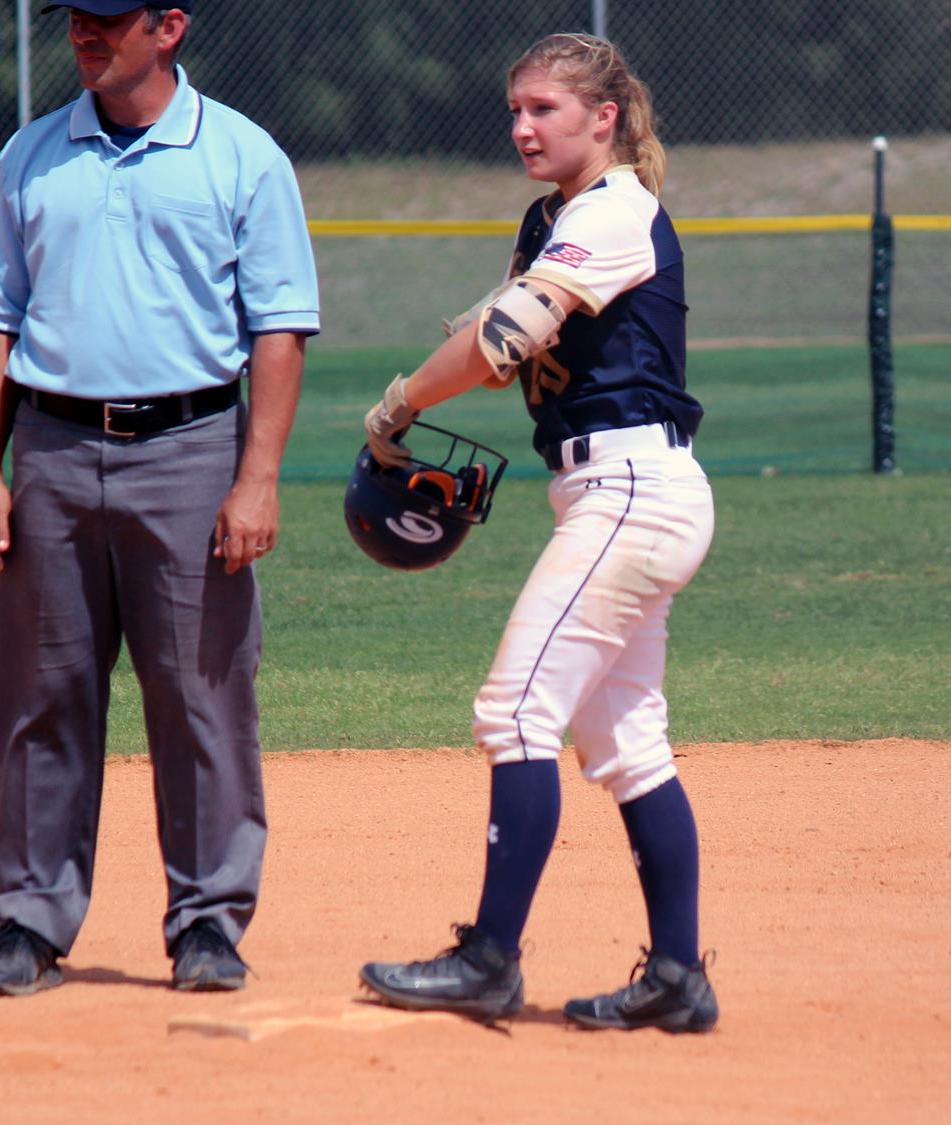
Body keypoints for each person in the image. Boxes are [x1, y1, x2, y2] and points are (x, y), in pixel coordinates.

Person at [356, 33, 718, 1033]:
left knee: (515, 711)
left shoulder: (615, 212)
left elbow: (503, 341)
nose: (521, 127)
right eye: (514, 109)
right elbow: (496, 328)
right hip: (609, 490)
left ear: (602, 118)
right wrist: (456, 345)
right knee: (624, 741)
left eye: (544, 110)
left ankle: (488, 960)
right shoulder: (551, 218)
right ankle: (678, 978)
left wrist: (396, 408)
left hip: (631, 488)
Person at [0, 0, 318, 997]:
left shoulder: (241, 156)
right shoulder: (30, 157)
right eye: (76, 16)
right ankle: (26, 924)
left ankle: (207, 923)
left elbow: (279, 328)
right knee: (39, 695)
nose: (85, 33)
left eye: (109, 18)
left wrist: (256, 478)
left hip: (192, 448)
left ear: (168, 27)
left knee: (202, 696)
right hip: (56, 451)